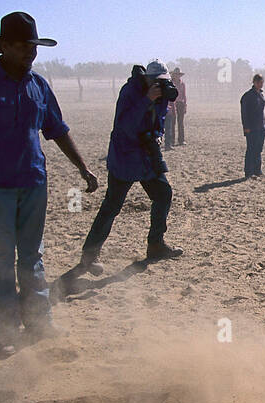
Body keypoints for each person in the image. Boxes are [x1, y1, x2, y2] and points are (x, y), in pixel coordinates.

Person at [0, 11, 98, 344]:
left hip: (34, 182)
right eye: (22, 47)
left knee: (32, 256)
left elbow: (56, 129)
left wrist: (82, 166)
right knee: (0, 258)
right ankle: (3, 330)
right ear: (1, 46)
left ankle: (39, 324)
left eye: (34, 47)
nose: (30, 53)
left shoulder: (39, 85)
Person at [75, 60, 184, 271]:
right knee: (112, 206)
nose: (162, 87)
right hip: (124, 156)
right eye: (159, 83)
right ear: (148, 79)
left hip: (147, 155)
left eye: (165, 82)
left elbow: (158, 120)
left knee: (163, 194)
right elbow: (124, 126)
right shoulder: (130, 91)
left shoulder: (161, 94)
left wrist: (158, 135)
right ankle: (89, 255)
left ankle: (155, 244)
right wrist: (146, 100)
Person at [241, 73, 265, 178]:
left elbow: (261, 112)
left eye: (261, 82)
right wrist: (245, 126)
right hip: (251, 127)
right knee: (251, 149)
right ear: (254, 82)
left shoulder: (261, 95)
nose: (260, 84)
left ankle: (257, 170)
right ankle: (249, 172)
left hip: (261, 126)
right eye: (258, 82)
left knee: (258, 149)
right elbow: (244, 113)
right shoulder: (248, 96)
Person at [165, 65, 187, 149]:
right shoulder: (171, 83)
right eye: (176, 74)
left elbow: (184, 95)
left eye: (178, 74)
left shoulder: (182, 84)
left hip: (180, 103)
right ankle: (171, 140)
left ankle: (181, 140)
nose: (177, 76)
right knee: (172, 122)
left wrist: (185, 105)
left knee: (180, 122)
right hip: (173, 103)